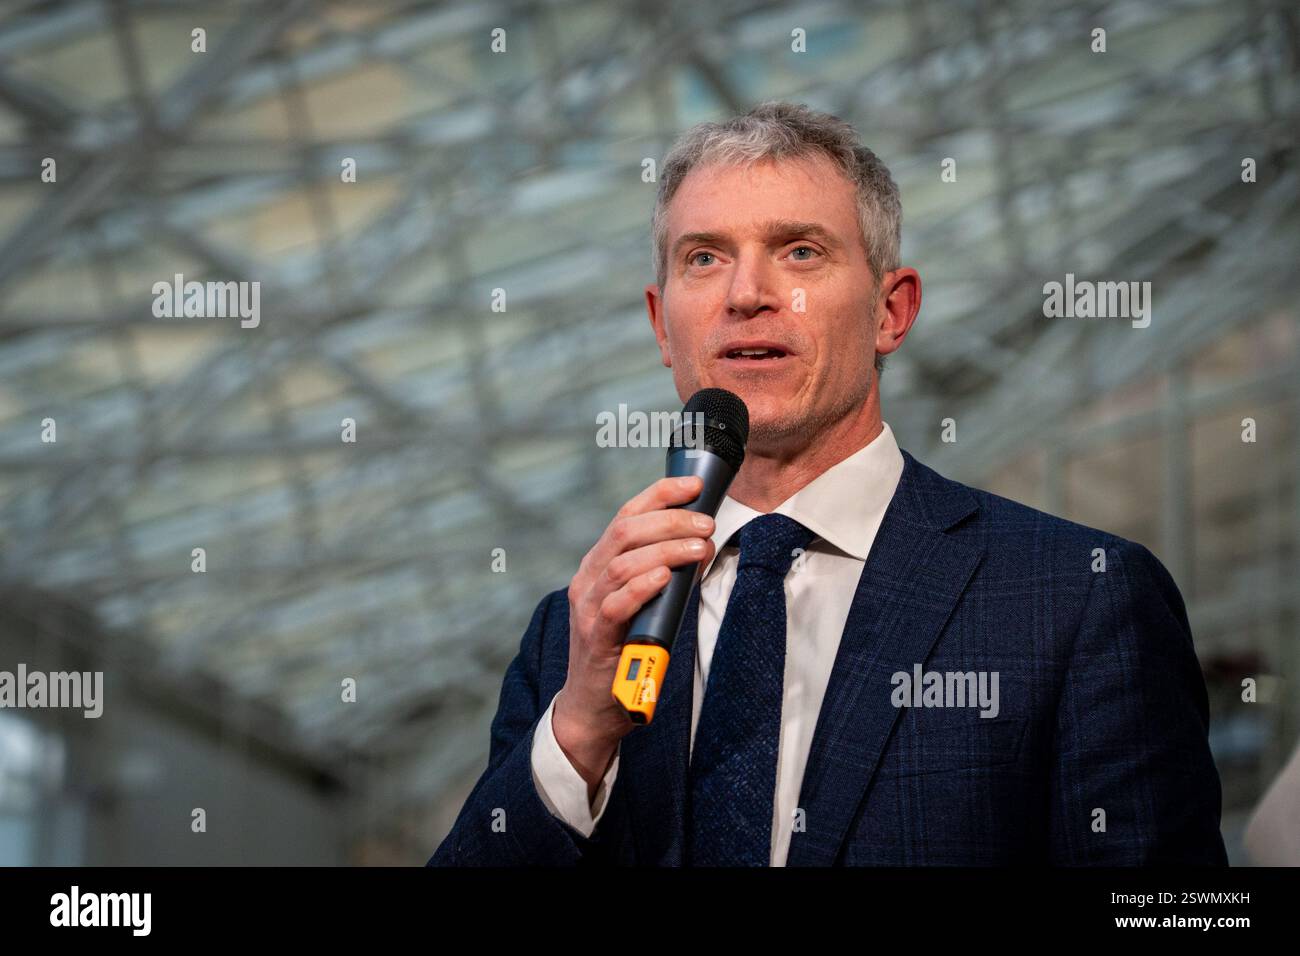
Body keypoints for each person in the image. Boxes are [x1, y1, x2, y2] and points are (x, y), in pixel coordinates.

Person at [428, 102, 1227, 866]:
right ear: (660, 325)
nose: (747, 294)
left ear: (891, 311)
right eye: (703, 258)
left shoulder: (1076, 600)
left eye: (800, 251)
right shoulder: (573, 636)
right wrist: (578, 734)